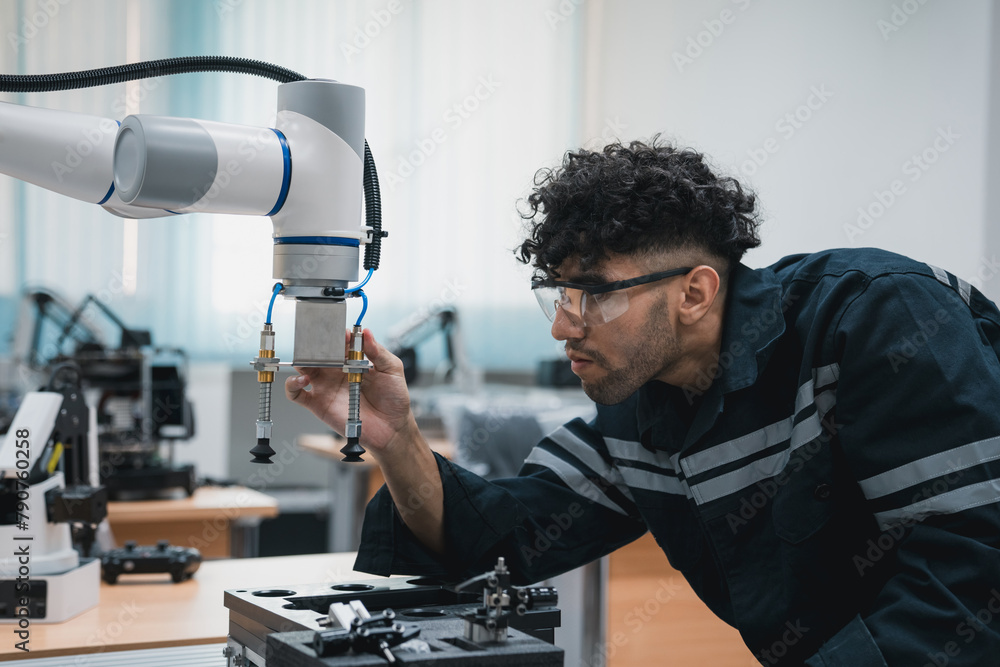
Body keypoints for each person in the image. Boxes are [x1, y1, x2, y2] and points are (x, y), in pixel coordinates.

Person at [285, 138, 1000, 665]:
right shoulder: (641, 412)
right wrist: (396, 433)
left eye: (593, 293)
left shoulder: (873, 319)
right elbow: (504, 533)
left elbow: (971, 572)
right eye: (559, 293)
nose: (565, 323)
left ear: (695, 292)